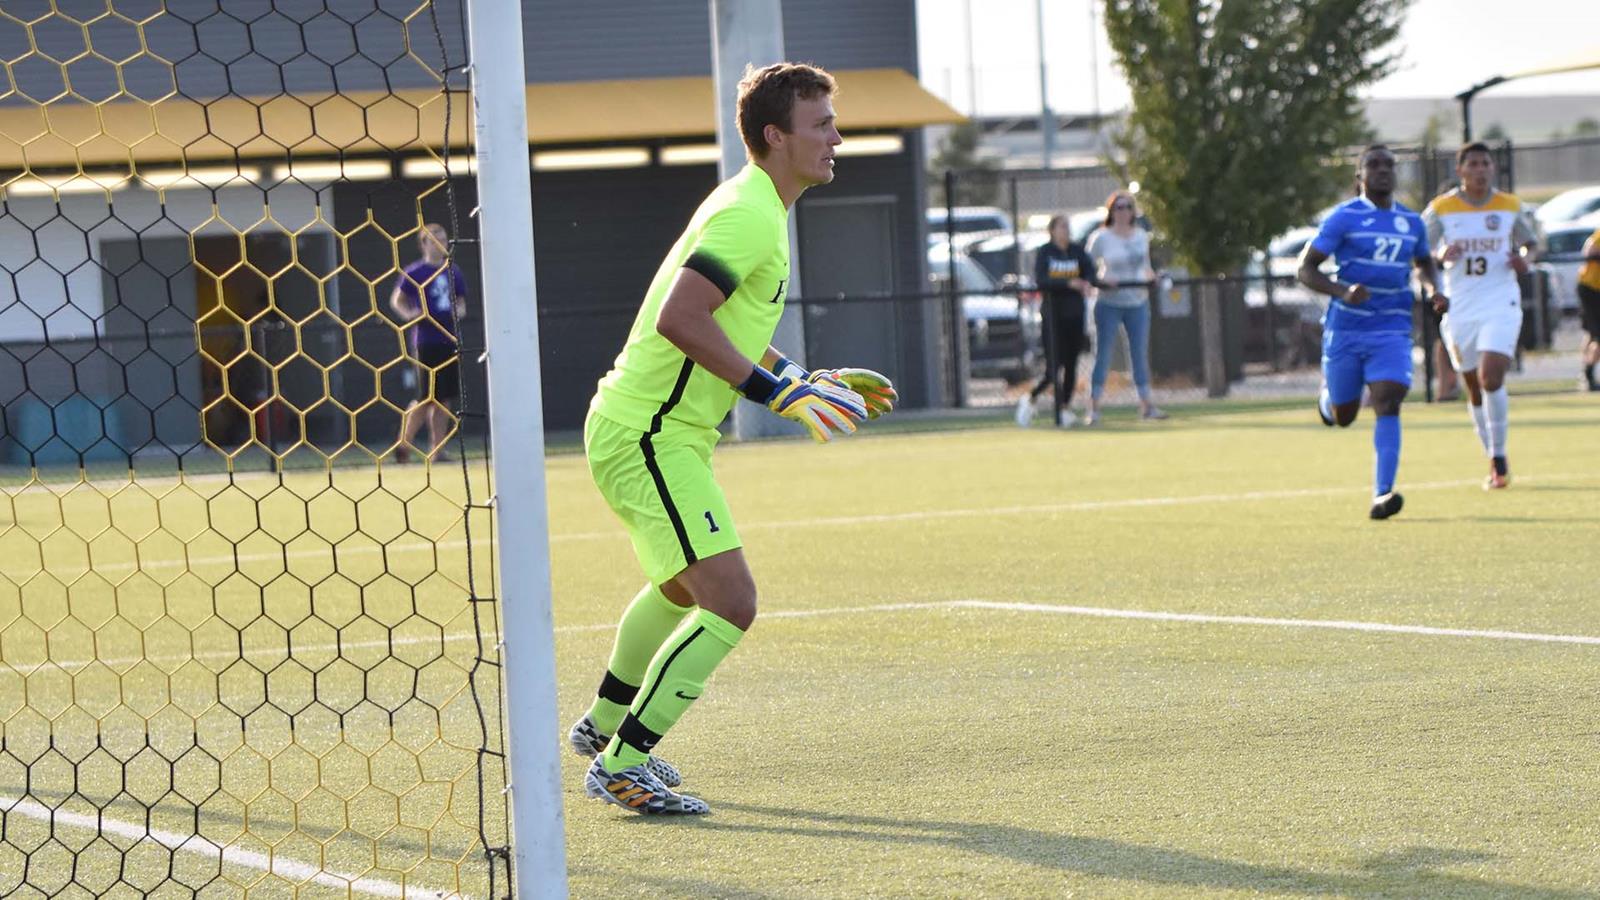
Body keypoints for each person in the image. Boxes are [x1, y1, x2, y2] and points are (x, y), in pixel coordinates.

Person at [566, 62, 896, 816]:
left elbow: (729, 324)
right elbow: (679, 319)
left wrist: (800, 376)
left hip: (650, 432)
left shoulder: (755, 205)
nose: (836, 138)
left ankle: (605, 724)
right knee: (731, 601)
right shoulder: (750, 215)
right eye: (821, 125)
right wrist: (776, 393)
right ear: (776, 136)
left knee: (682, 587)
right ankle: (622, 765)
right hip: (649, 434)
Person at [1297, 145, 1446, 520]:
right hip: (1347, 329)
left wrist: (1433, 289)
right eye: (1374, 165)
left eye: (1388, 165)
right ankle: (1328, 403)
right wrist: (1342, 291)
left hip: (1392, 328)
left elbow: (1424, 262)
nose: (1383, 170)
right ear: (1359, 176)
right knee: (1344, 415)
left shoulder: (1411, 222)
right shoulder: (1343, 217)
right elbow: (1306, 269)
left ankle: (1382, 493)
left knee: (1389, 398)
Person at [1422, 143, 1538, 489]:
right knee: (1473, 385)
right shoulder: (1441, 209)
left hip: (1500, 300)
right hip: (1461, 306)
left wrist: (1524, 259)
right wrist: (1441, 253)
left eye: (1485, 163)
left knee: (1491, 376)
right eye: (1472, 164)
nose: (1480, 170)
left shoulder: (1509, 205)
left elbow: (1531, 243)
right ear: (1460, 170)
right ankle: (1491, 454)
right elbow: (1422, 251)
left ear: (1492, 168)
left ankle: (1499, 457)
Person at [389, 222, 467, 463]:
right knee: (426, 397)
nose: (440, 243)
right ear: (424, 244)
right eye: (434, 239)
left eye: (443, 239)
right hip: (426, 341)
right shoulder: (415, 272)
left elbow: (461, 303)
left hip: (448, 339)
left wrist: (457, 313)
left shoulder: (453, 271)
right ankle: (403, 445)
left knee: (443, 400)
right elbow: (397, 300)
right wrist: (410, 315)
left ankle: (437, 450)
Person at [1086, 190, 1165, 423]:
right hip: (1109, 303)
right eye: (1119, 207)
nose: (1123, 212)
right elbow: (1087, 268)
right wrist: (1100, 282)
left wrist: (1153, 279)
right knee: (1104, 354)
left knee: (1139, 354)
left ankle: (1146, 406)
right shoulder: (1101, 237)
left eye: (1128, 207)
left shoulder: (1140, 236)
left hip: (1137, 301)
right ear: (1111, 211)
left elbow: (1145, 267)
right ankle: (1093, 407)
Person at [1015, 214, 1097, 427]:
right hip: (1053, 317)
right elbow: (1042, 280)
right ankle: (1031, 398)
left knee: (1071, 364)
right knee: (1053, 368)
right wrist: (1068, 283)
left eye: (1067, 226)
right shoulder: (1046, 252)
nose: (1066, 230)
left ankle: (1065, 408)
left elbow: (1090, 271)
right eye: (1062, 226)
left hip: (1075, 315)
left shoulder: (1077, 251)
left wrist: (1087, 282)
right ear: (1052, 230)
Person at [1578, 223, 1600, 391]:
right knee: (1597, 336)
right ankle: (1588, 374)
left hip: (1594, 289)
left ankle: (1586, 371)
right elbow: (1589, 251)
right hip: (1591, 288)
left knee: (1592, 334)